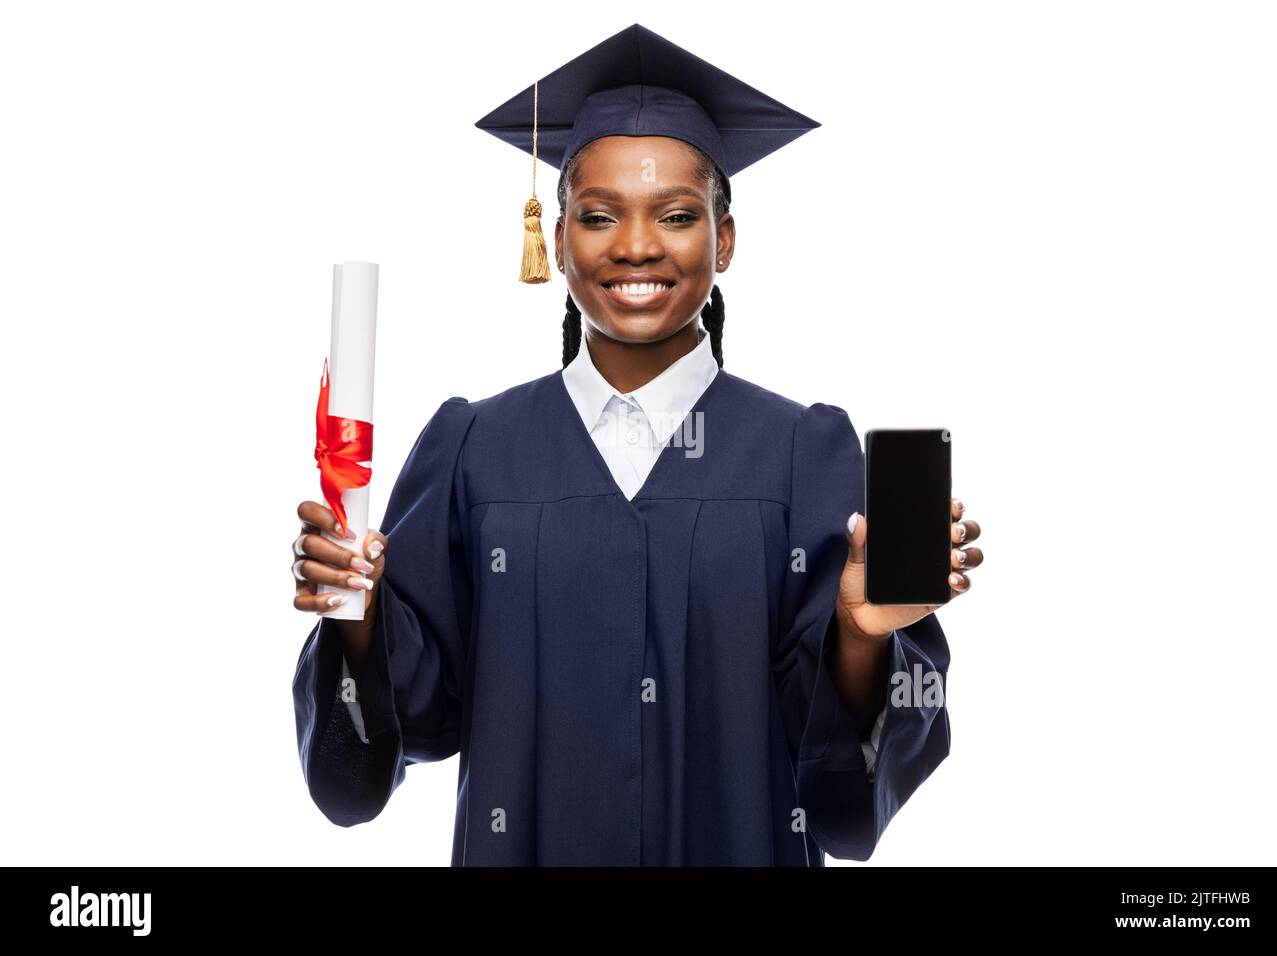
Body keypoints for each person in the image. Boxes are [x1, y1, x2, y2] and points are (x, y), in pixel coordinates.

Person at [290, 23, 983, 866]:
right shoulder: (474, 447)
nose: (636, 245)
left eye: (679, 214)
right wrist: (355, 614)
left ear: (724, 241)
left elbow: (839, 802)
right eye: (598, 214)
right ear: (558, 240)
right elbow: (403, 731)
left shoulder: (803, 450)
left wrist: (860, 637)